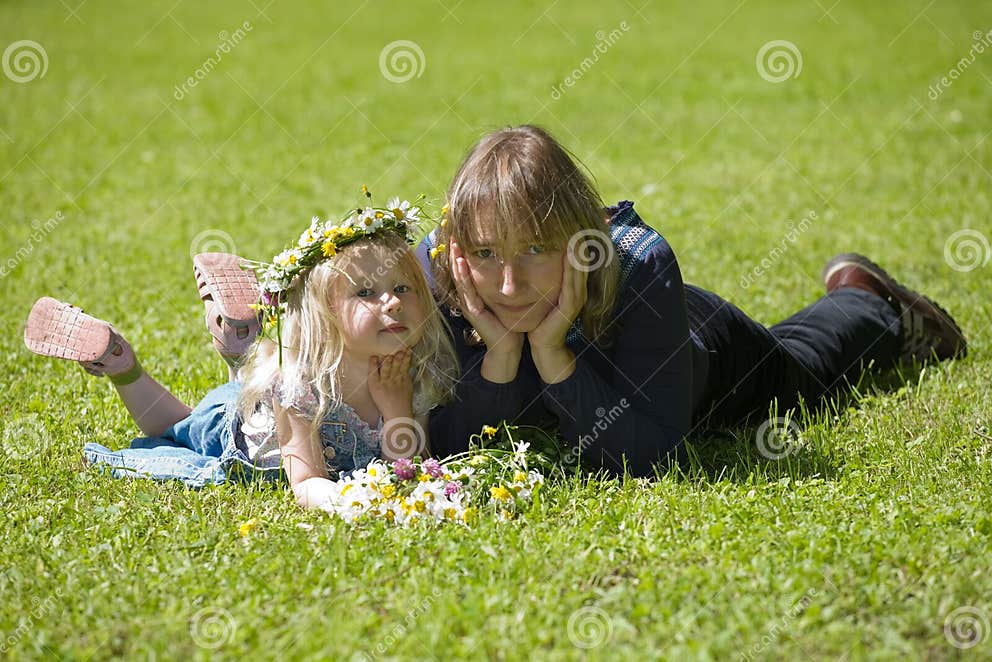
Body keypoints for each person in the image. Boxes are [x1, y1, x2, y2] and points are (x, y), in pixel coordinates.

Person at [417, 125, 967, 477]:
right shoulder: (440, 271)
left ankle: (867, 300)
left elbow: (657, 458)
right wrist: (500, 358)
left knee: (807, 368)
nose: (508, 286)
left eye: (535, 249)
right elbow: (442, 449)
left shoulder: (639, 265)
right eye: (487, 253)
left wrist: (556, 356)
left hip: (699, 349)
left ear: (576, 239)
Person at [23, 196, 459, 509]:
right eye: (366, 293)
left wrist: (397, 408)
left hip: (260, 389)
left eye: (403, 288)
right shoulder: (301, 387)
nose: (393, 302)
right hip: (236, 427)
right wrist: (351, 502)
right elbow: (305, 481)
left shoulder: (415, 373)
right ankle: (123, 364)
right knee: (174, 427)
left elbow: (409, 469)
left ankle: (240, 342)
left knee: (249, 377)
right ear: (324, 315)